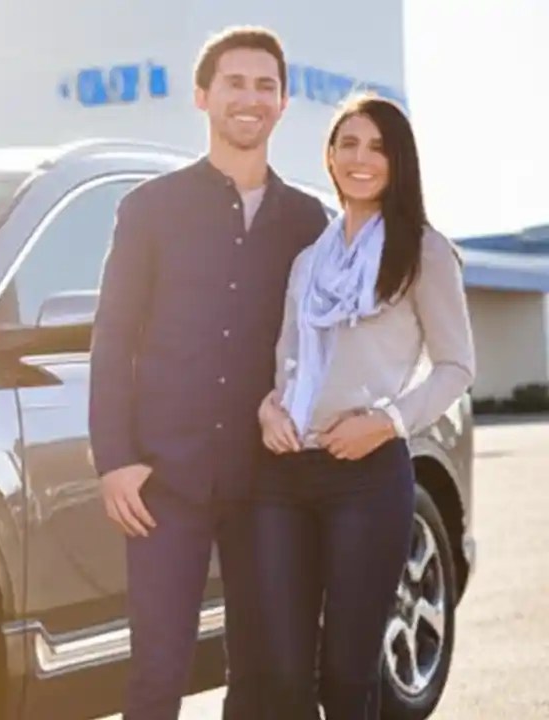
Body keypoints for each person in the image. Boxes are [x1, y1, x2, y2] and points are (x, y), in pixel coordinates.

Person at [88, 25, 329, 720]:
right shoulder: (149, 210)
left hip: (270, 486)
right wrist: (116, 460)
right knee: (157, 674)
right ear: (203, 96)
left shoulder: (307, 222)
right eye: (234, 83)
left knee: (267, 677)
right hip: (164, 482)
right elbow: (113, 339)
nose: (249, 99)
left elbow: (323, 347)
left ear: (283, 104)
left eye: (265, 86)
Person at [254, 93, 475, 718]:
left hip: (368, 478)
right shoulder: (309, 262)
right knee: (282, 671)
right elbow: (287, 365)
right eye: (348, 143)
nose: (361, 158)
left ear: (398, 161)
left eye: (377, 147)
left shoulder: (425, 252)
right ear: (329, 156)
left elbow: (458, 367)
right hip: (285, 473)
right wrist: (268, 410)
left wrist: (387, 423)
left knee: (350, 677)